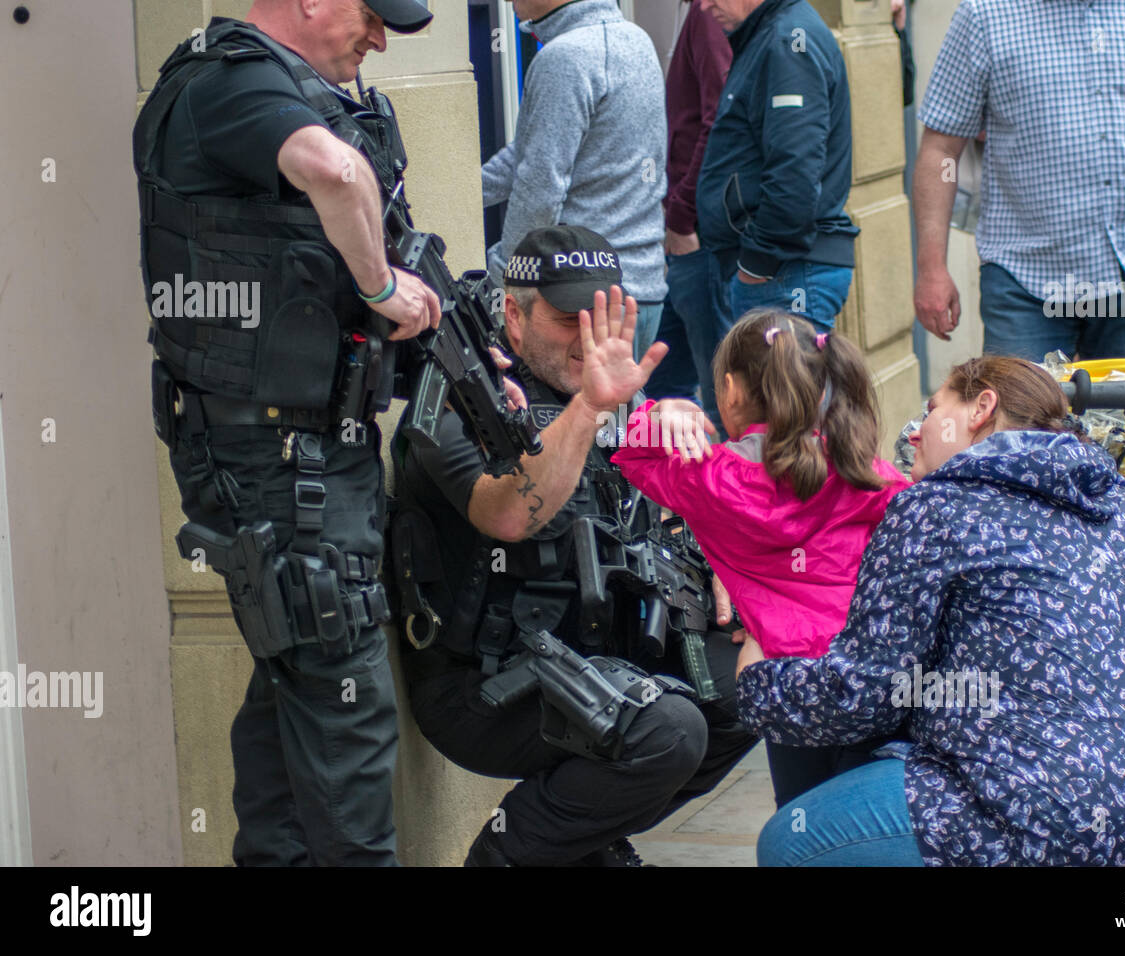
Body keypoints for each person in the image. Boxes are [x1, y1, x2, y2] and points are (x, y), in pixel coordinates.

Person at [133, 0, 441, 865]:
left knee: (295, 685)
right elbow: (336, 176)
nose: (380, 39)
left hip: (306, 454)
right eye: (374, 16)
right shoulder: (230, 84)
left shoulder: (296, 90)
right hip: (275, 461)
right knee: (345, 705)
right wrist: (383, 291)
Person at [739, 356, 1125, 866]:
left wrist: (759, 679)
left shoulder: (934, 505)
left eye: (931, 409)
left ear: (981, 407)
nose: (915, 432)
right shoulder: (1118, 497)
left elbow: (861, 699)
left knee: (791, 843)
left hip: (1068, 816)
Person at [392, 226, 756, 866]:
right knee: (669, 733)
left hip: (599, 654)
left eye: (602, 317)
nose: (588, 341)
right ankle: (507, 856)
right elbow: (507, 515)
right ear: (514, 313)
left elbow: (674, 508)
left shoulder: (615, 393)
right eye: (567, 321)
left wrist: (722, 553)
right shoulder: (463, 395)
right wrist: (590, 407)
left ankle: (575, 841)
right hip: (489, 681)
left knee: (758, 687)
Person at [612, 310, 909, 806]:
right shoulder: (868, 475)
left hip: (785, 675)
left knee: (803, 817)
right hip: (873, 669)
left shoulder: (709, 480)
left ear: (729, 391)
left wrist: (660, 414)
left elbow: (632, 454)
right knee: (865, 814)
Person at [912, 0, 1125, 363]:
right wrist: (932, 268)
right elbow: (942, 147)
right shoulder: (985, 14)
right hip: (1024, 282)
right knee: (1020, 418)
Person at [481, 0, 667, 358]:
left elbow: (539, 191)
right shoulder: (635, 39)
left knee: (559, 417)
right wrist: (456, 192)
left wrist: (503, 281)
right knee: (616, 416)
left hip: (583, 301)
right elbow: (526, 155)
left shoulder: (565, 58)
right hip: (641, 291)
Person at [696, 0, 860, 334]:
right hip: (783, 269)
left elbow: (794, 171)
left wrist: (756, 266)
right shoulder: (775, 35)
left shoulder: (787, 41)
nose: (704, 6)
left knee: (784, 388)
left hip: (784, 273)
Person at [644, 0, 733, 427]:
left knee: (723, 399)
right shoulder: (695, 13)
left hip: (697, 237)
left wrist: (681, 217)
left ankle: (729, 493)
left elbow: (718, 121)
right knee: (663, 391)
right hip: (687, 235)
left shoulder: (707, 13)